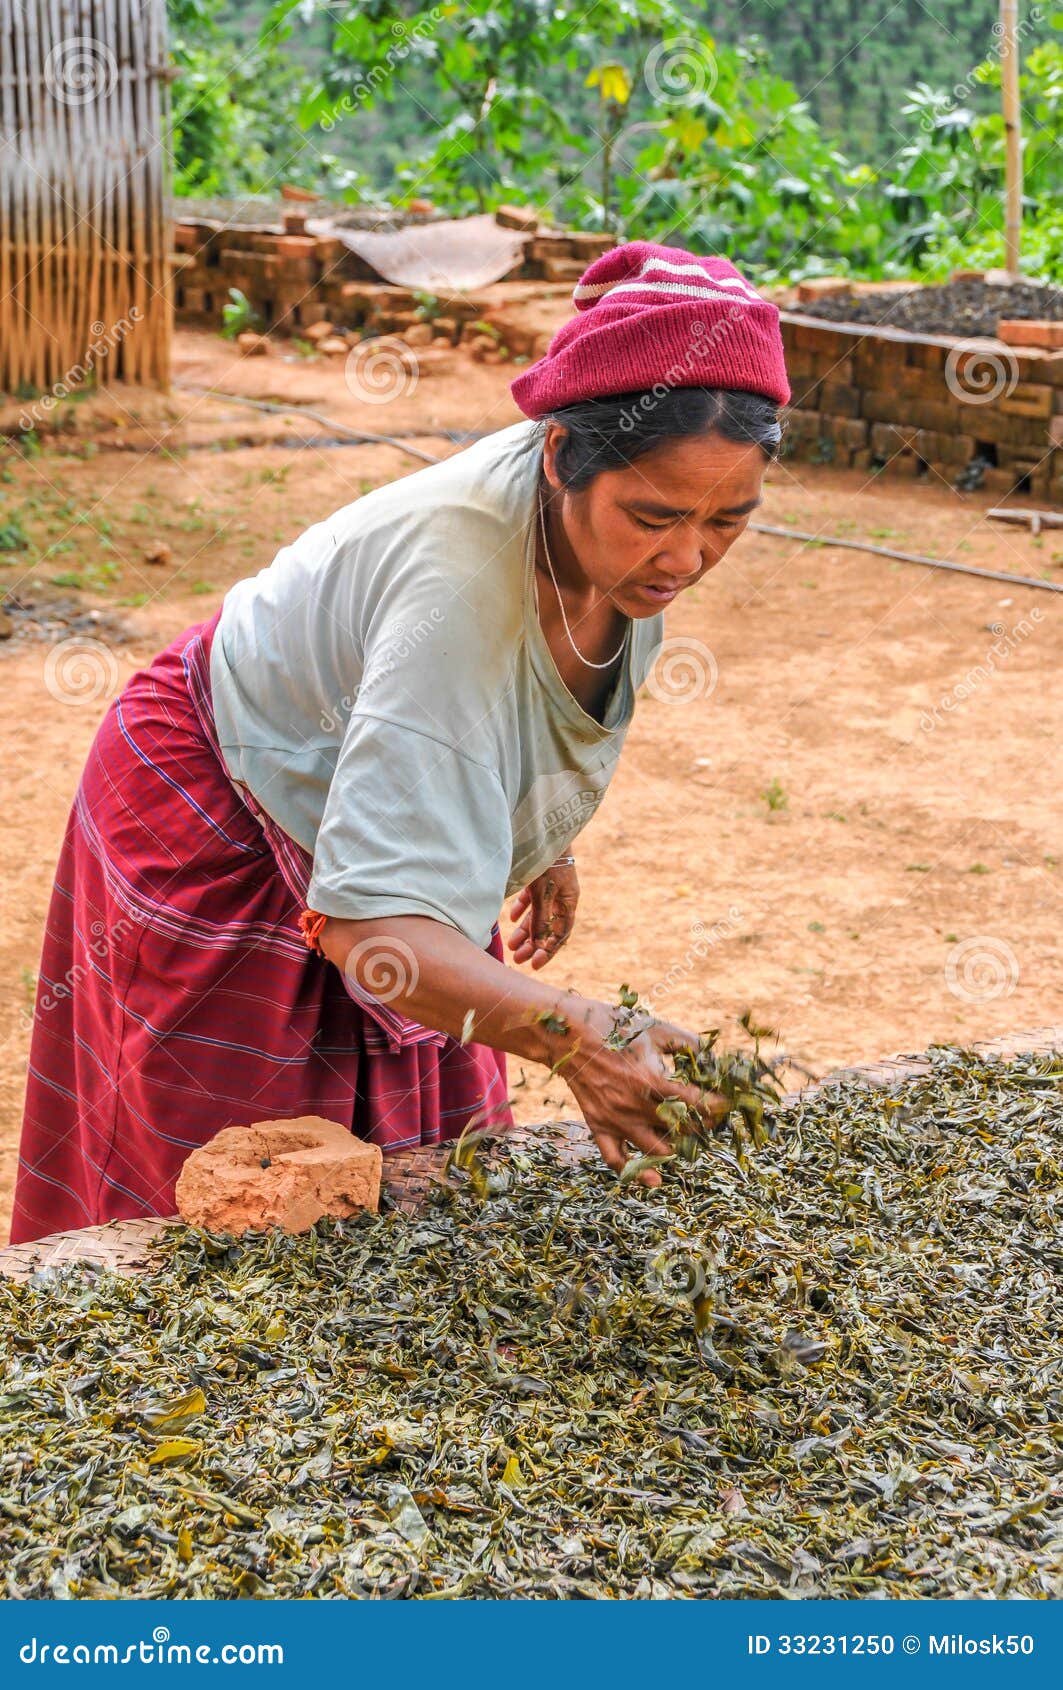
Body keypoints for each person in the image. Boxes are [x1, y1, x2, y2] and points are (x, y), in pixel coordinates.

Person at [10, 240, 790, 1246]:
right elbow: (369, 931)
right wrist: (584, 1036)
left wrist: (534, 827)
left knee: (433, 1165)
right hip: (223, 790)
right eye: (654, 516)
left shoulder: (615, 540)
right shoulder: (457, 583)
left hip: (354, 771)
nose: (686, 556)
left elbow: (508, 696)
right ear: (557, 456)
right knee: (241, 1191)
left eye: (728, 519)